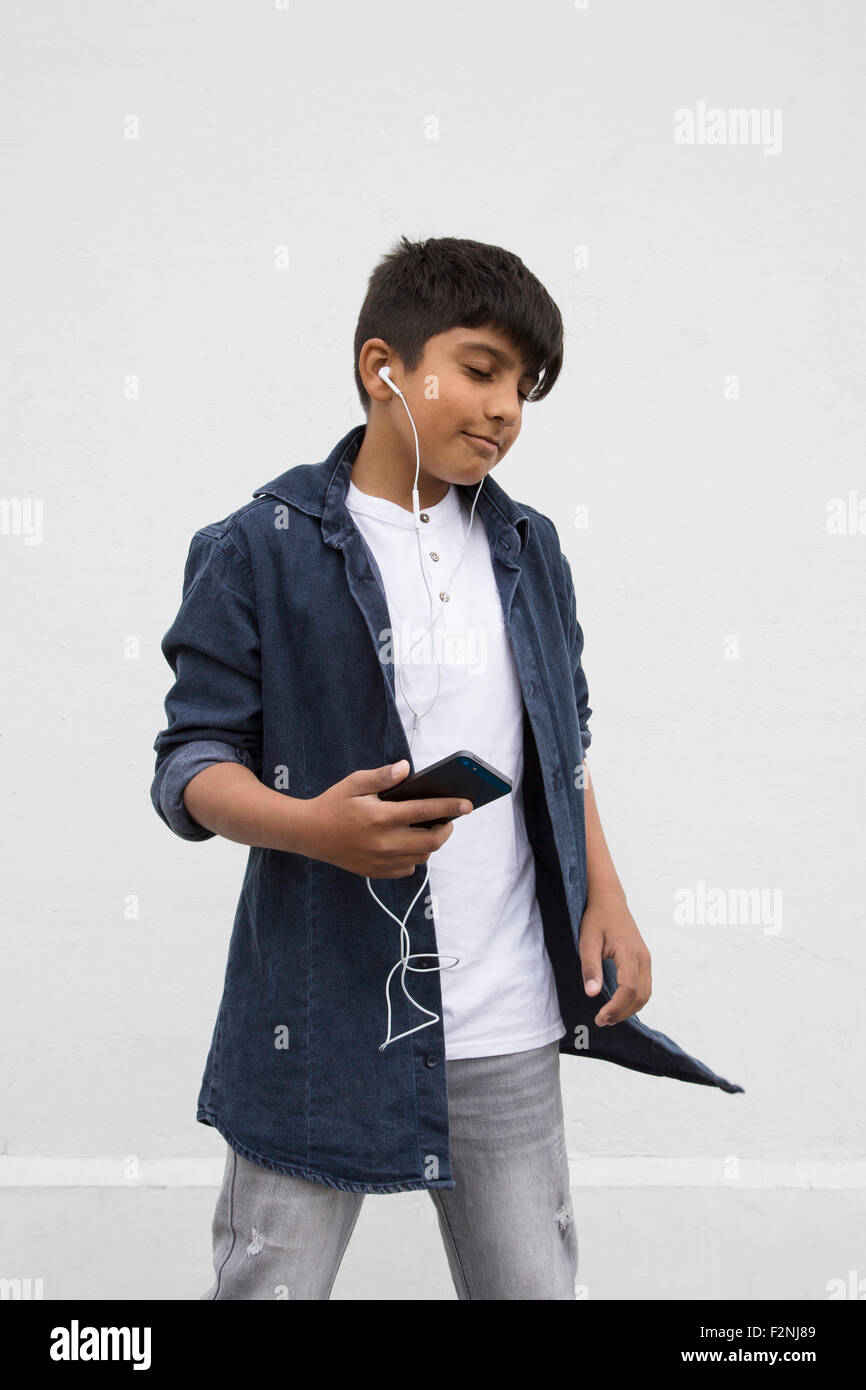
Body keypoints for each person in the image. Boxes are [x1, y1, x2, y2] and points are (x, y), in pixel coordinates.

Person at [150, 234, 743, 1301]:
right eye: (479, 368)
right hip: (322, 1016)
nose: (507, 406)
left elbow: (562, 744)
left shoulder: (529, 548)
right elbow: (191, 761)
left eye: (524, 385)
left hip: (508, 1008)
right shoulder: (259, 545)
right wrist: (312, 825)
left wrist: (603, 896)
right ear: (385, 365)